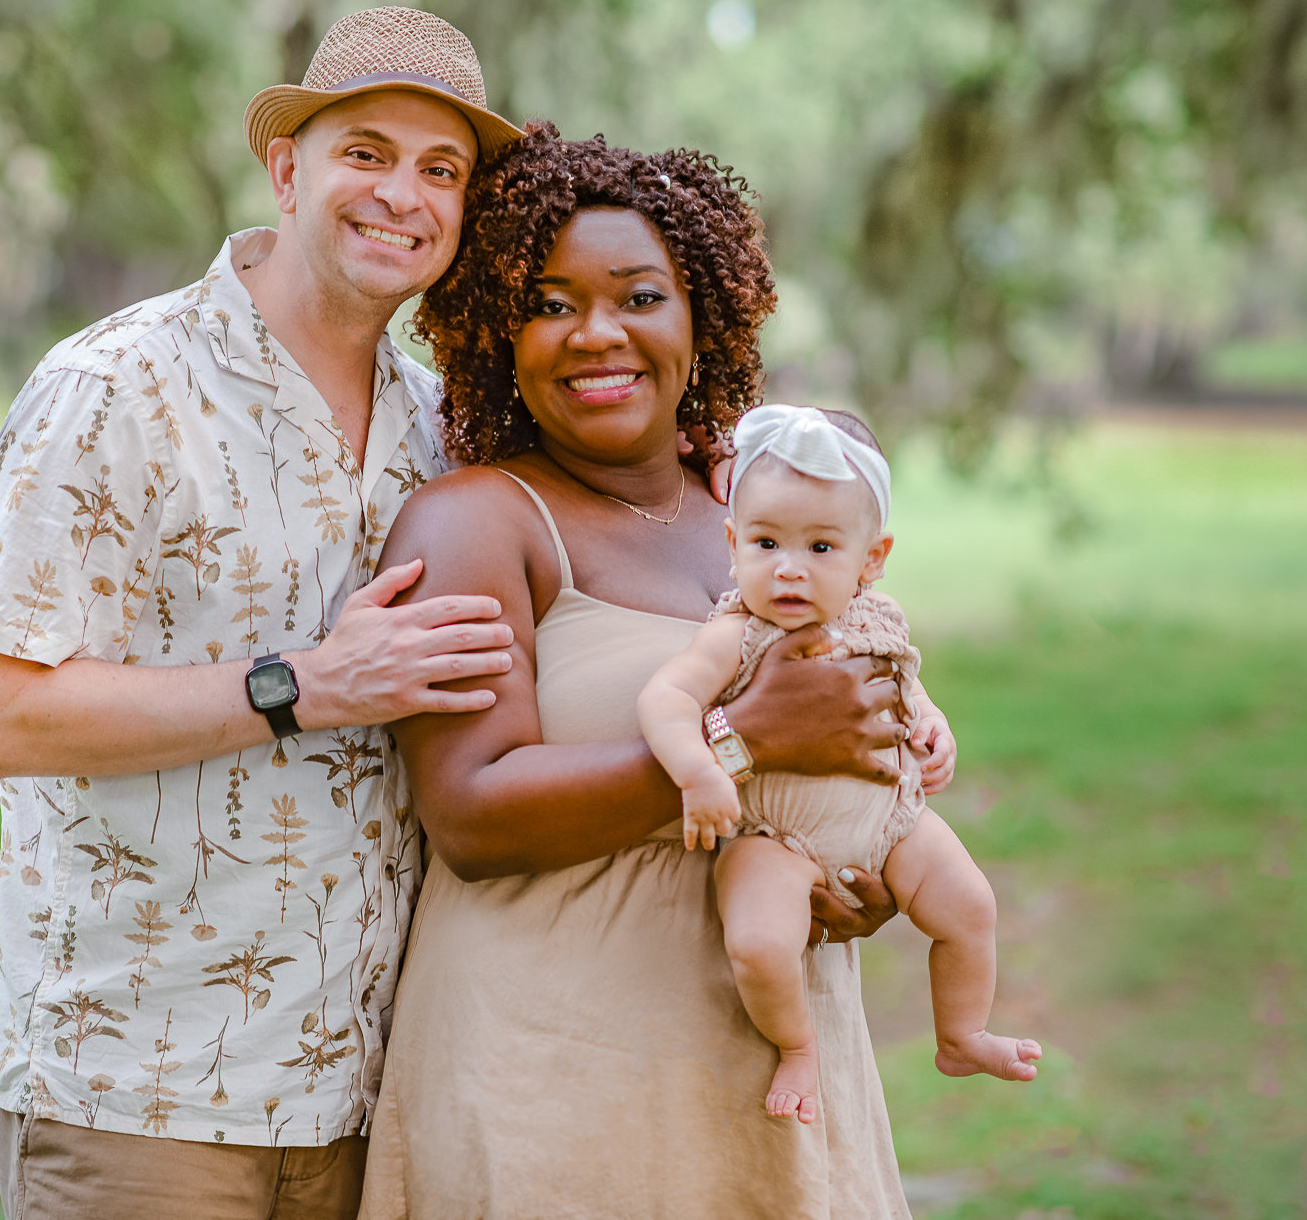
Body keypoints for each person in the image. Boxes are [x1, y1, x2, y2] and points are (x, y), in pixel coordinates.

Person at [0, 12, 900, 1220]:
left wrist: (845, 839)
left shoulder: (436, 423)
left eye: (440, 169)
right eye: (366, 152)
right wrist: (301, 684)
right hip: (148, 1072)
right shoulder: (117, 388)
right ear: (287, 167)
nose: (402, 194)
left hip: (357, 1064)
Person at [359, 126, 918, 1219]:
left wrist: (863, 874)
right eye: (550, 303)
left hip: (763, 1074)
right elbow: (468, 817)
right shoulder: (476, 521)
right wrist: (747, 742)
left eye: (637, 297)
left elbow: (858, 730)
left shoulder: (755, 519)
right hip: (547, 1080)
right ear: (496, 335)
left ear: (699, 316)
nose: (594, 334)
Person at [640, 403, 1041, 1130]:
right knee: (760, 944)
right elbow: (664, 698)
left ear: (872, 558)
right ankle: (797, 1046)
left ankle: (961, 1033)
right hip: (776, 836)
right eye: (766, 542)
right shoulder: (736, 634)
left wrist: (933, 728)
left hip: (890, 822)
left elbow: (905, 688)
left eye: (821, 547)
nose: (789, 567)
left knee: (970, 905)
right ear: (733, 544)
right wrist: (698, 769)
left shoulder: (878, 620)